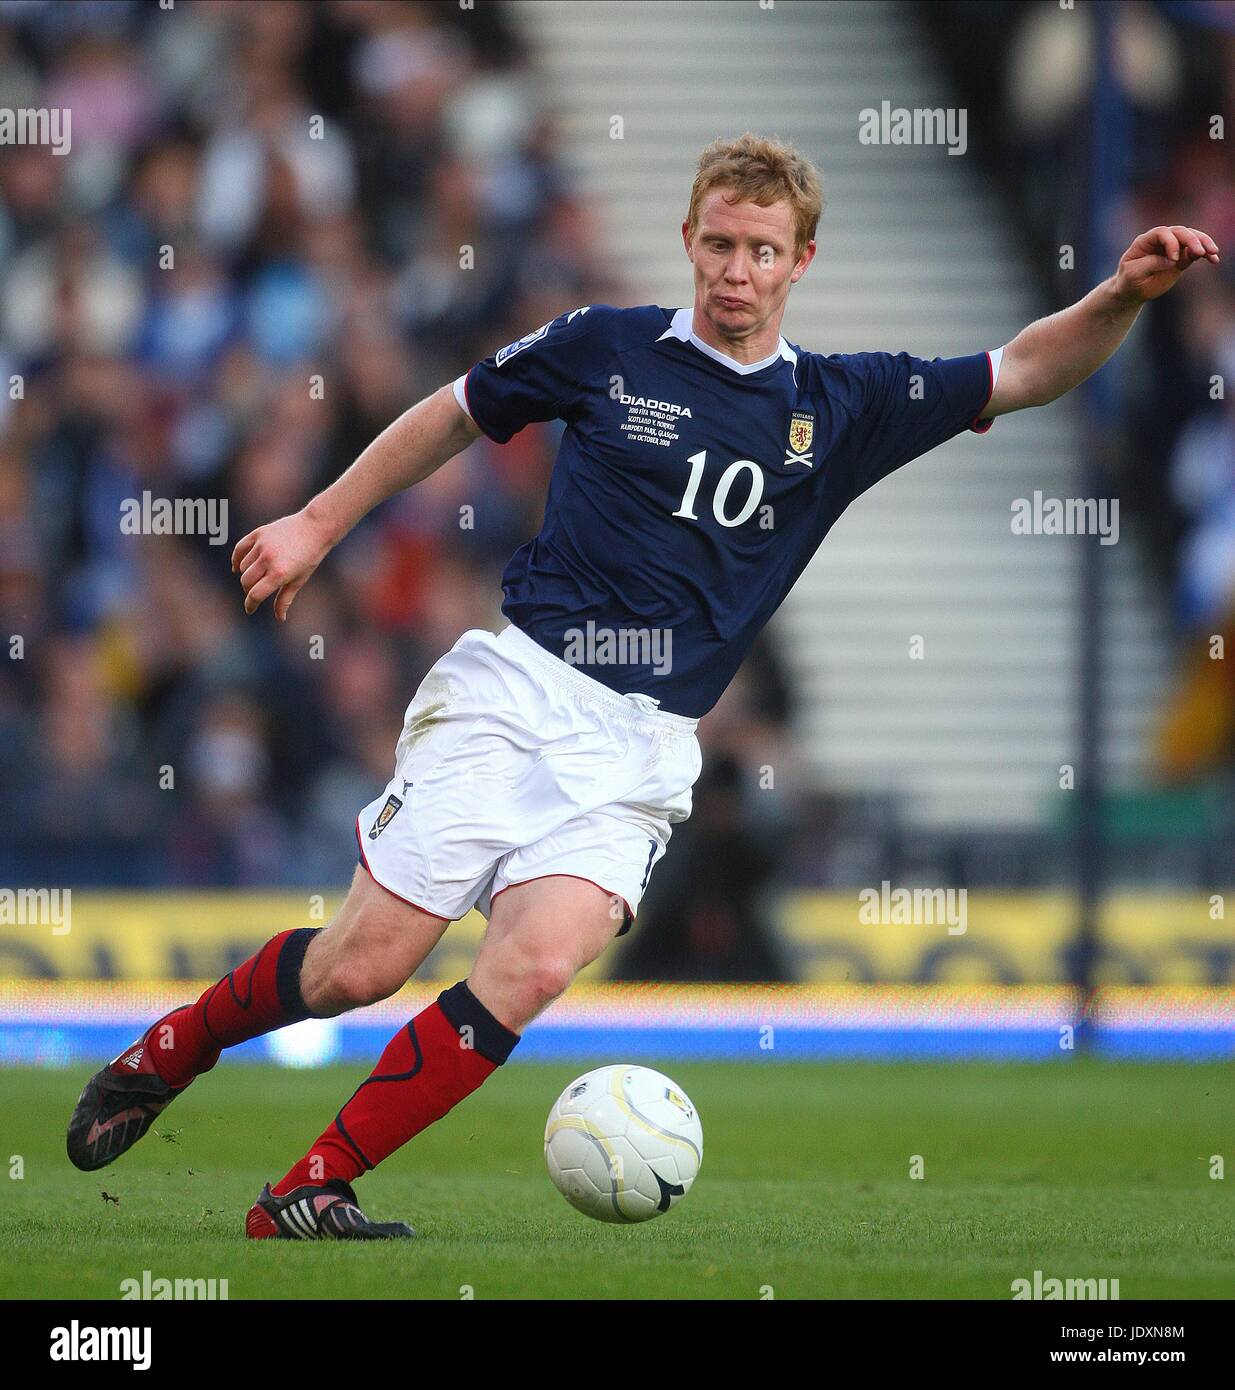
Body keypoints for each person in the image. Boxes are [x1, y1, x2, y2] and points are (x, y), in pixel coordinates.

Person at [67, 132, 1220, 1239]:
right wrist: (318, 522)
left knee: (533, 964)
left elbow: (1022, 368)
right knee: (357, 969)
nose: (737, 270)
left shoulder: (844, 403)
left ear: (800, 261)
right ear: (688, 239)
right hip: (514, 695)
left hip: (646, 744)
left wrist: (1119, 293)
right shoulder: (606, 346)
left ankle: (306, 1192)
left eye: (763, 250)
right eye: (720, 244)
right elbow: (452, 413)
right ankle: (169, 1051)